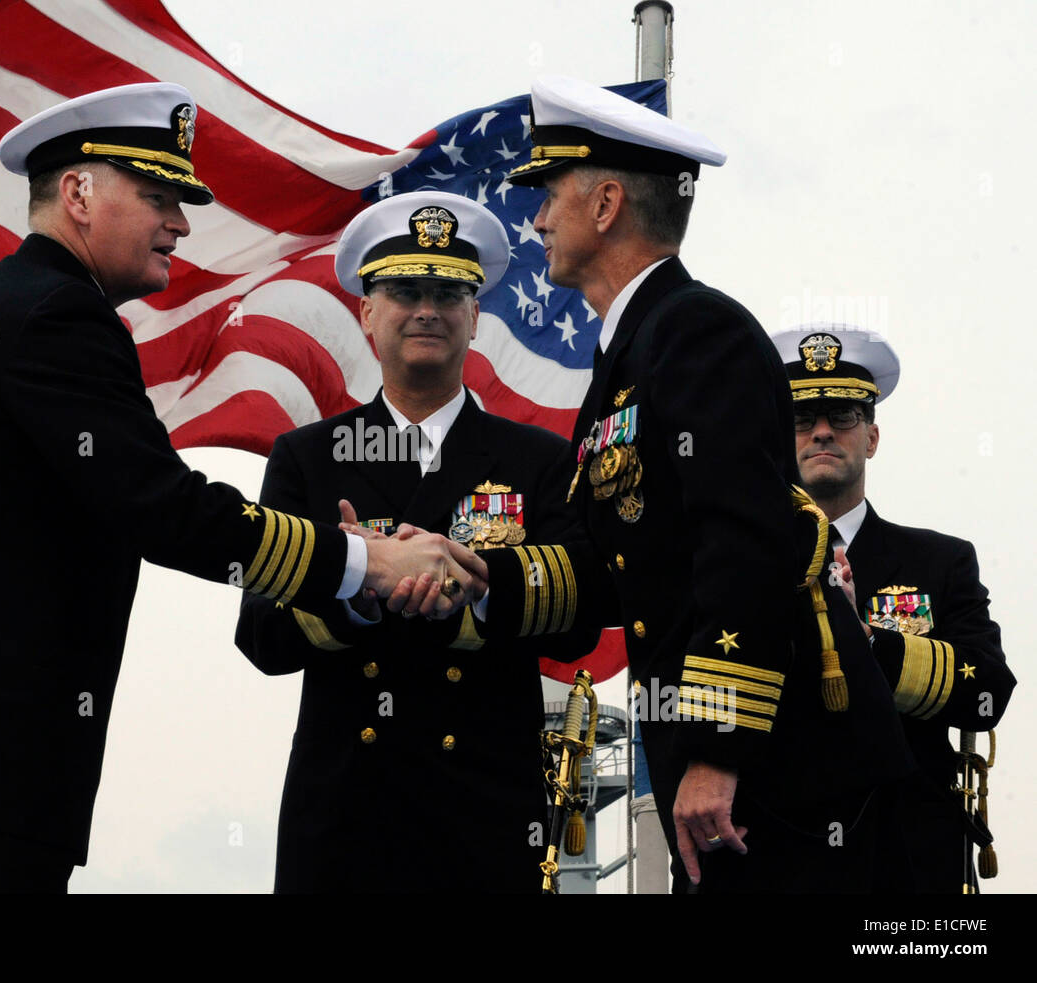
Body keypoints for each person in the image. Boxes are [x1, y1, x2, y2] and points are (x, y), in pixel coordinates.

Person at [0, 83, 480, 893]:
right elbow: (165, 509)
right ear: (78, 192)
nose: (181, 224)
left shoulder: (13, 305)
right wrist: (363, 565)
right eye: (158, 197)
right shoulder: (55, 317)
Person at [479, 74, 915, 892]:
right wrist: (471, 574)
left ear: (606, 204)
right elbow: (610, 566)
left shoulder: (697, 330)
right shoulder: (630, 352)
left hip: (779, 779)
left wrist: (717, 749)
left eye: (548, 195)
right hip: (726, 780)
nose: (536, 218)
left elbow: (744, 544)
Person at [234, 191, 604, 892]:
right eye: (404, 290)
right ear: (368, 313)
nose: (426, 308)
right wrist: (355, 591)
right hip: (346, 820)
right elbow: (260, 634)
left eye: (446, 291)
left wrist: (481, 585)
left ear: (475, 316)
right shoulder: (308, 460)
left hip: (487, 821)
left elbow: (583, 616)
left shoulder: (540, 462)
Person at [772, 322, 1015, 893]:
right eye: (803, 421)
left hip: (905, 852)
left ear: (872, 437)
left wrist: (868, 645)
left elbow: (988, 693)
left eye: (844, 417)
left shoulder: (941, 560)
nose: (823, 433)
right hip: (775, 847)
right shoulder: (739, 561)